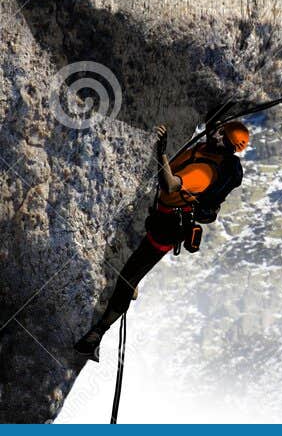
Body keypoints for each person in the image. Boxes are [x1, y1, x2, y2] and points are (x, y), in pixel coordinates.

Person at [73, 119, 249, 360]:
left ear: (223, 141)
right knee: (136, 262)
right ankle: (131, 285)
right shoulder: (211, 150)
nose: (215, 132)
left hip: (167, 227)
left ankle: (97, 334)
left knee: (128, 277)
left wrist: (162, 153)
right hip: (165, 217)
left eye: (220, 132)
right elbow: (212, 124)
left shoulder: (204, 172)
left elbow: (169, 185)